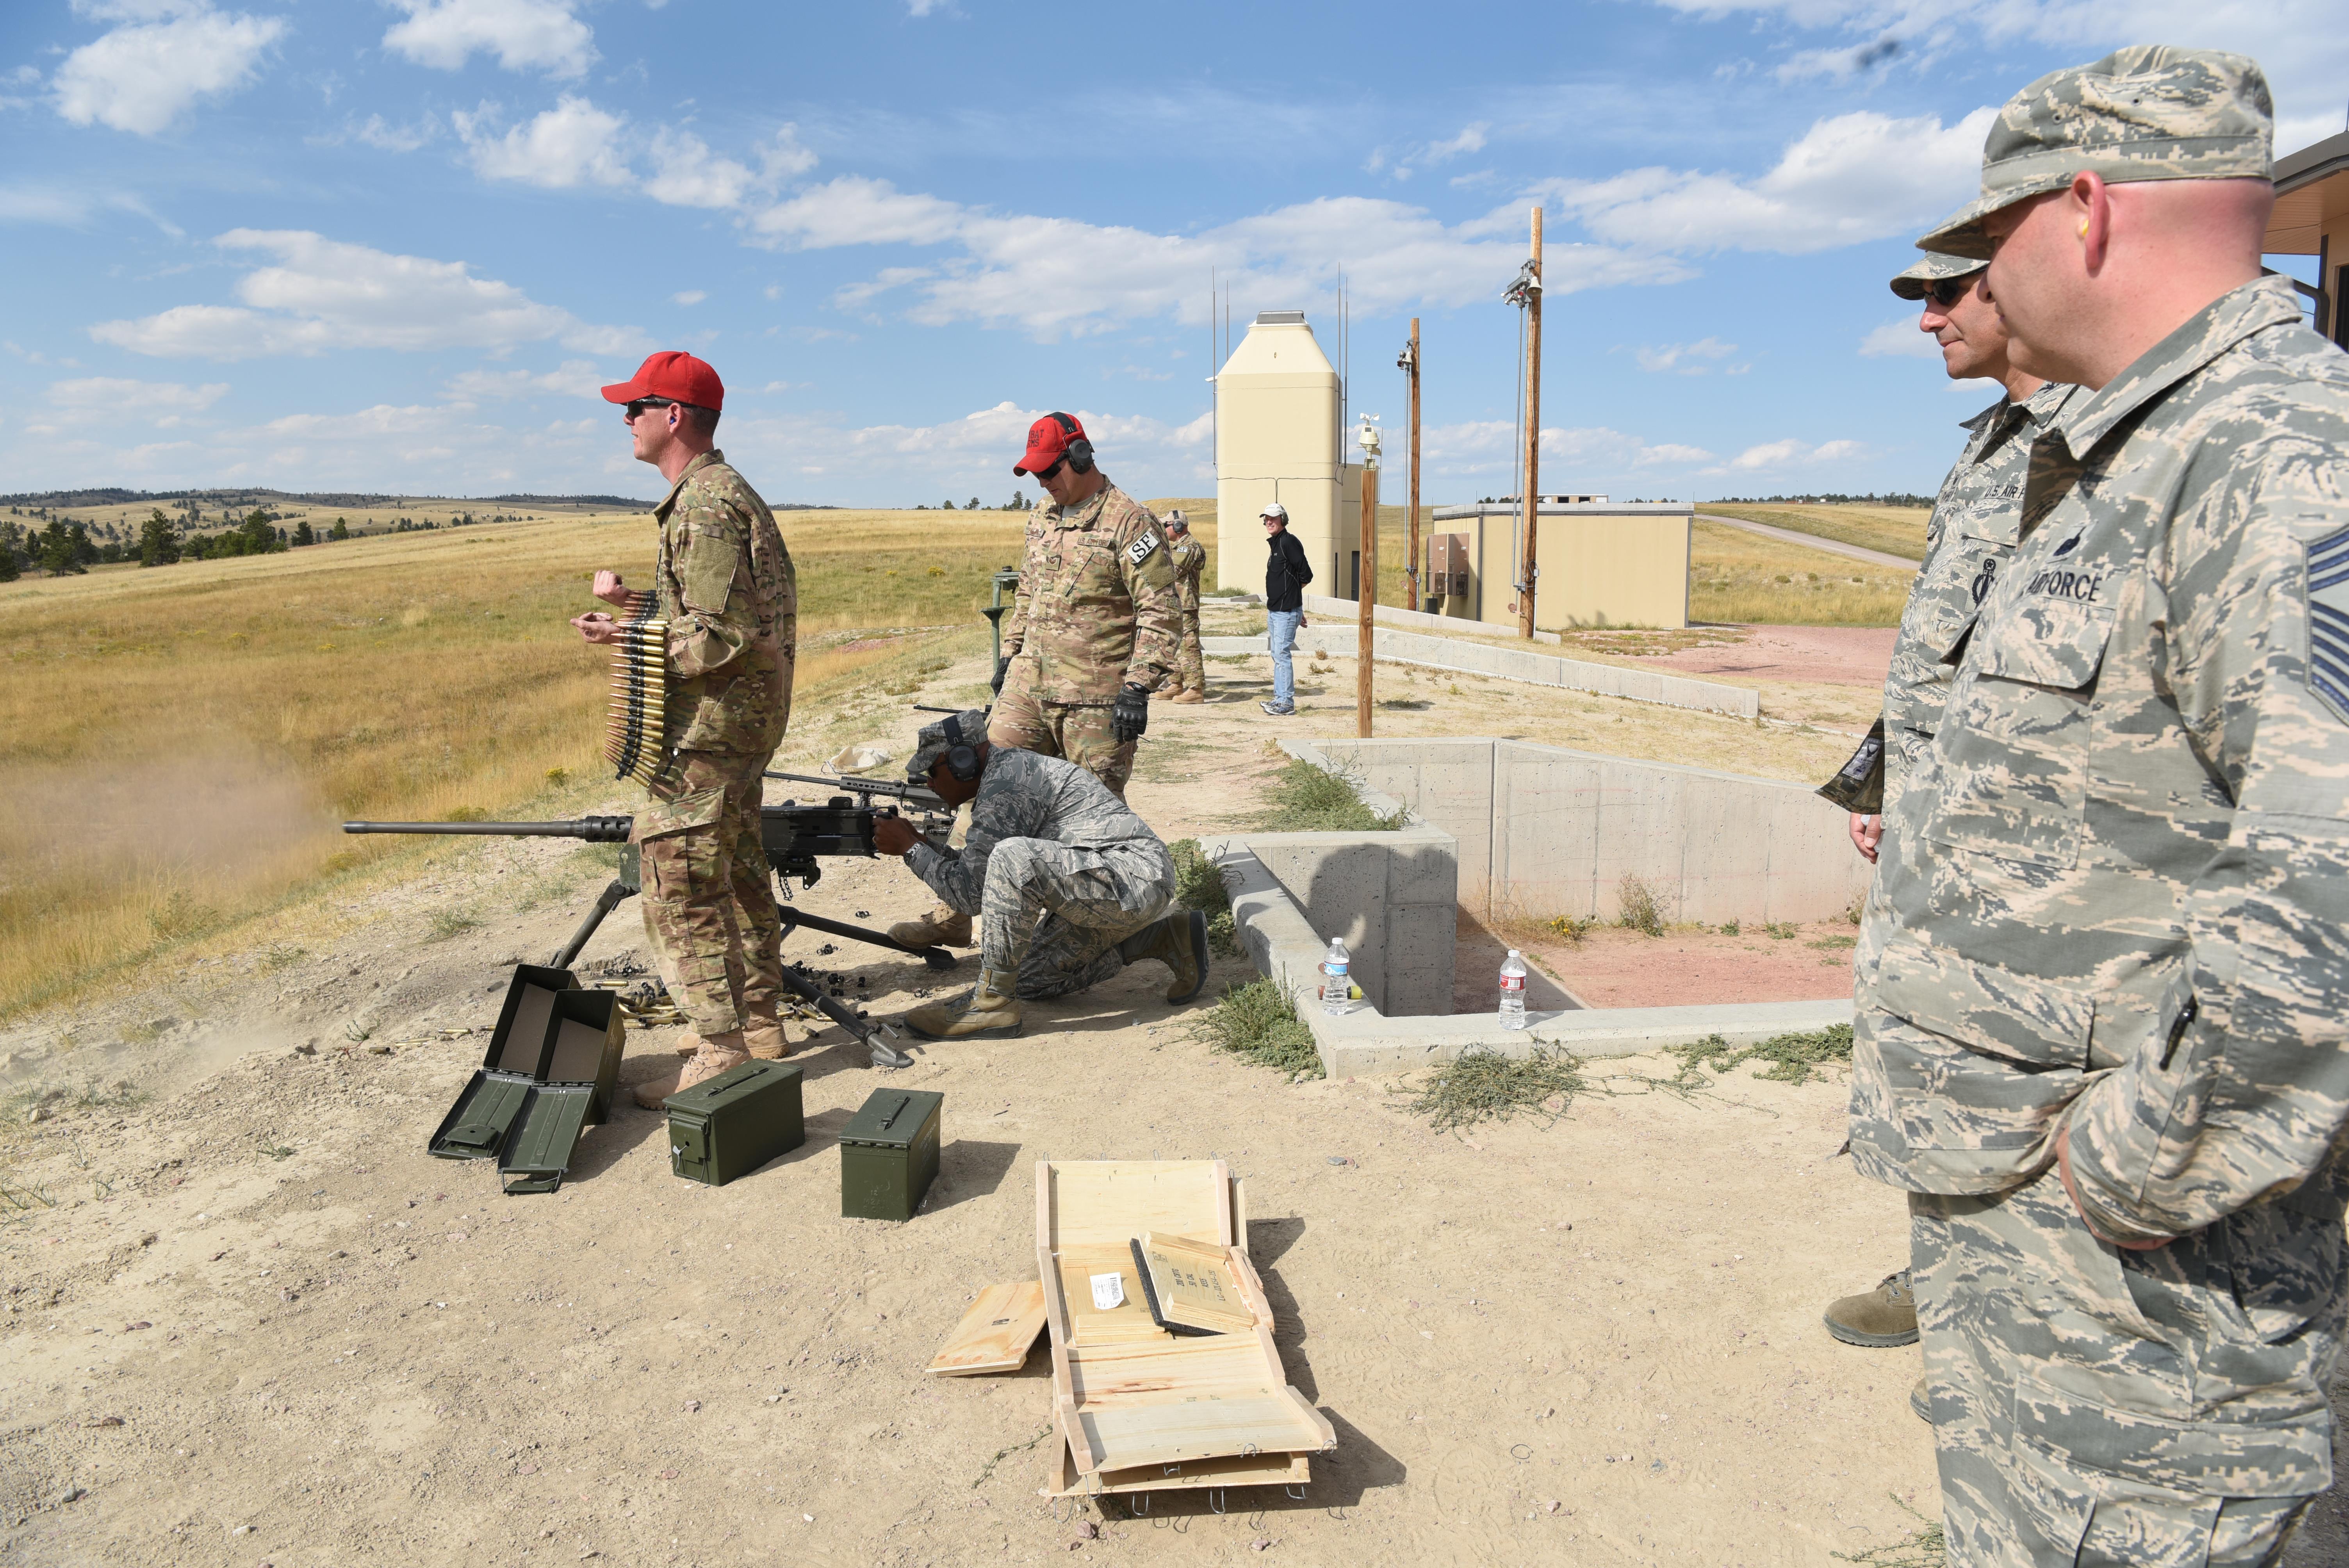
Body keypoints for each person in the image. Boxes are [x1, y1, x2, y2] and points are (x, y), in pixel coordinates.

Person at [1850, 46, 2349, 1564]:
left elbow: (2327, 889)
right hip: (2031, 1238)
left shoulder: (2276, 453)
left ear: (2081, 209)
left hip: (2145, 1274)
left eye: (1987, 231)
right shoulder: (2116, 452)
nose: (1971, 277)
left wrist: (2135, 1155)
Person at [1818, 252, 2075, 1390]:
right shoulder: (1988, 448)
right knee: (1930, 1052)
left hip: (2022, 848)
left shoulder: (2089, 445)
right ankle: (1950, 1273)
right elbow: (1941, 643)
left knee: (2016, 1064)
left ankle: (2012, 1300)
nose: (1926, 320)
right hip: (1935, 823)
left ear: (2017, 284)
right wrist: (1885, 786)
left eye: (1946, 294)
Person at [569, 351, 797, 1105]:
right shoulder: (718, 497)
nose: (625, 420)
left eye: (635, 407)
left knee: (676, 881)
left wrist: (629, 640)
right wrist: (637, 608)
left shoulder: (703, 505)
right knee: (734, 873)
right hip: (738, 724)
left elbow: (718, 635)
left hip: (712, 729)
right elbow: (719, 613)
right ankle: (758, 1024)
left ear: (674, 416)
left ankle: (721, 1046)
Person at [886, 412, 1179, 953]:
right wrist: (1012, 653)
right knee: (980, 786)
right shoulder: (1043, 515)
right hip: (1029, 688)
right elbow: (1029, 593)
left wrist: (1139, 685)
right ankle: (953, 912)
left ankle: (1078, 936)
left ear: (1083, 458)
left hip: (1096, 703)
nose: (1045, 483)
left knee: (1091, 822)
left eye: (1051, 471)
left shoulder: (1129, 523)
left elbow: (1161, 610)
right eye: (1038, 475)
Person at [870, 711, 1210, 1039]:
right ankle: (1162, 938)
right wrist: (919, 841)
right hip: (1110, 882)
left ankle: (991, 1005)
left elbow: (970, 896)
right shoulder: (1002, 775)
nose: (929, 783)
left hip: (1134, 880)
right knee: (1030, 981)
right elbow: (975, 873)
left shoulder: (1007, 788)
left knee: (1012, 855)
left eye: (932, 771)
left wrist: (911, 850)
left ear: (962, 762)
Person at [1260, 502, 1312, 716]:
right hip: (1276, 611)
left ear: (1283, 519)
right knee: (1277, 654)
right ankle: (1279, 699)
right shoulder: (1276, 544)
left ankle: (1286, 703)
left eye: (1273, 518)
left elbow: (1306, 575)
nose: (1269, 522)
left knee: (1282, 655)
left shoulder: (1289, 542)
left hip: (1285, 611)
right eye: (1266, 519)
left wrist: (1294, 607)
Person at [1159, 510, 1208, 704]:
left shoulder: (1189, 547)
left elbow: (1172, 572)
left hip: (1186, 604)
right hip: (1175, 603)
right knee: (1175, 645)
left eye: (1166, 526)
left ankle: (1195, 689)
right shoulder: (1178, 546)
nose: (1164, 530)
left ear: (1178, 526)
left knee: (1189, 646)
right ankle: (1176, 684)